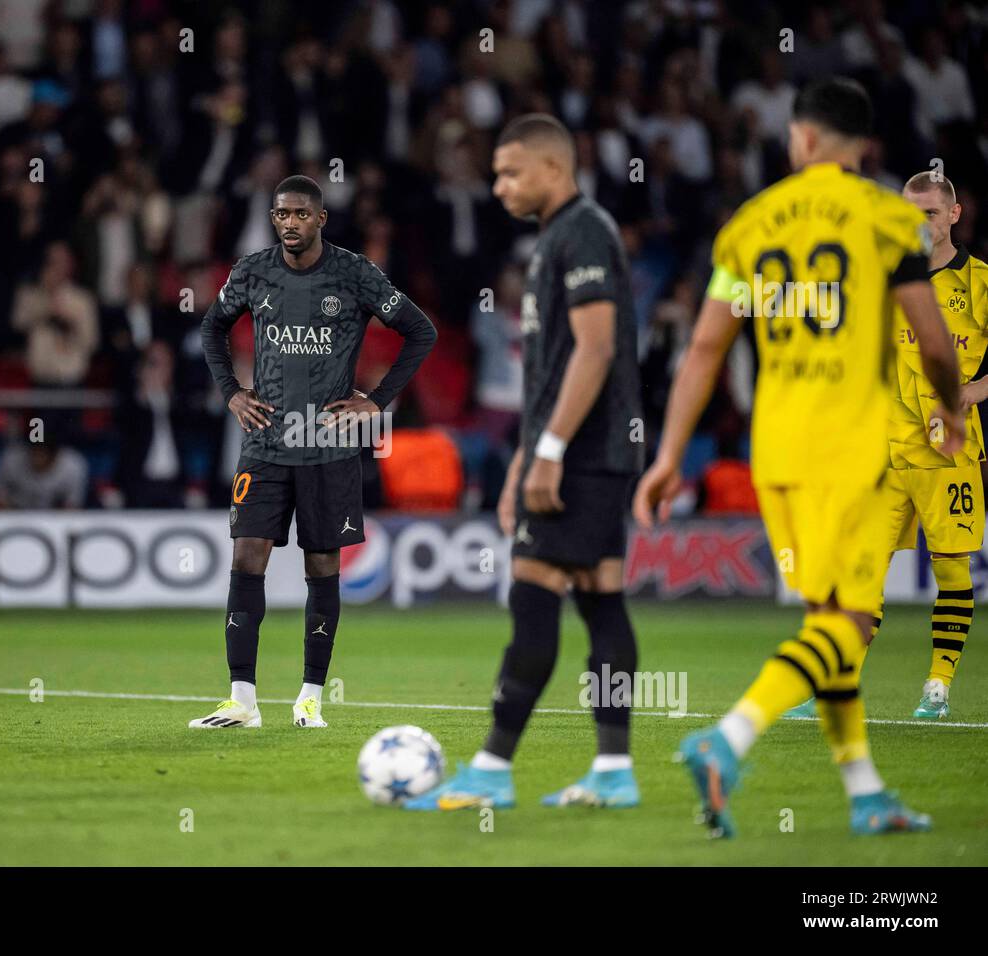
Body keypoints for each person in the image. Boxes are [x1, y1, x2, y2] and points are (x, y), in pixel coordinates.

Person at [635, 77, 961, 837]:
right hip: (853, 446)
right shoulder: (889, 220)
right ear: (864, 148)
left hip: (776, 452)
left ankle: (865, 791)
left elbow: (706, 347)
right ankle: (729, 738)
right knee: (851, 623)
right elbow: (934, 339)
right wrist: (948, 404)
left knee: (826, 620)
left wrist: (669, 455)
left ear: (806, 140)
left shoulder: (750, 224)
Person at [406, 114, 645, 812]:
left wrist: (548, 453)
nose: (498, 184)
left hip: (585, 452)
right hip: (586, 450)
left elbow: (596, 351)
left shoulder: (584, 232)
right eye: (496, 173)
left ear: (553, 168)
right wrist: (521, 461)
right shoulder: (552, 242)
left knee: (533, 593)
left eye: (510, 172)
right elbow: (552, 370)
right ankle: (613, 769)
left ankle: (491, 768)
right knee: (601, 598)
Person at [194, 174, 436, 729]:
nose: (289, 223)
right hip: (266, 443)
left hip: (327, 444)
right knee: (246, 555)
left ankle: (309, 698)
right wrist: (233, 394)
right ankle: (242, 699)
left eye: (300, 214)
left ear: (320, 219)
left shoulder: (353, 273)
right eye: (281, 214)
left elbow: (420, 332)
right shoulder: (253, 271)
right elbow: (213, 330)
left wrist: (376, 402)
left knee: (322, 565)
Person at [786, 171, 988, 722]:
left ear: (953, 215)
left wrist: (968, 392)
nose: (916, 224)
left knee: (951, 570)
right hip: (881, 451)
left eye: (927, 213)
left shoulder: (979, 282)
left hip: (948, 452)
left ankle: (938, 686)